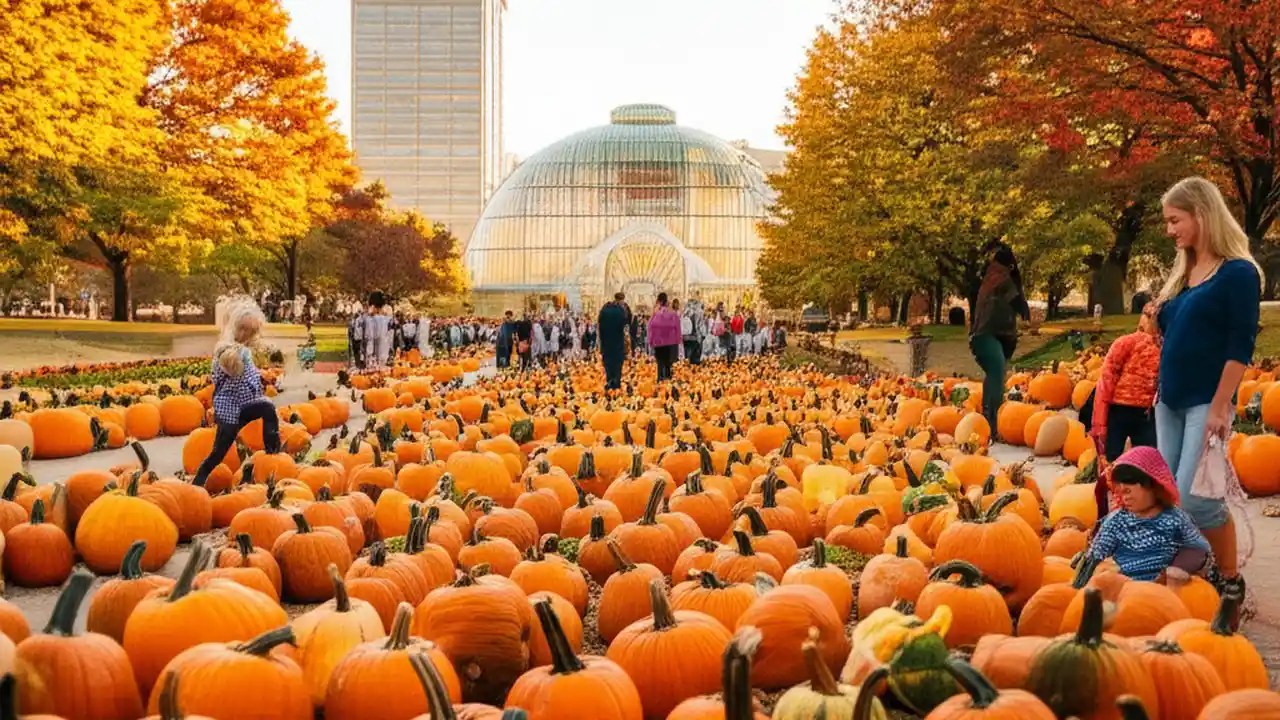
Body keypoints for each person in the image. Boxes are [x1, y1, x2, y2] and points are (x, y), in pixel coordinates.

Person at [1154, 176, 1262, 610]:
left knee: (1196, 498)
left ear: (1201, 214)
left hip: (1206, 401)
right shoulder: (1184, 276)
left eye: (1175, 220)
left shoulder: (1238, 273)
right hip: (1169, 400)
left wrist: (1222, 405)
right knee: (1170, 496)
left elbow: (1240, 344)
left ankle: (1229, 576)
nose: (1169, 230)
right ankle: (1189, 576)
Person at [1084, 447, 1212, 585]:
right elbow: (1095, 556)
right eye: (1120, 493)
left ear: (1152, 486)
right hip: (1126, 588)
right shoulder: (1116, 521)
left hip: (1167, 589)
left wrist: (1175, 570)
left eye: (1128, 491)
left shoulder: (1175, 518)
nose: (1125, 498)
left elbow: (1199, 549)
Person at [192, 301, 280, 487]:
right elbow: (231, 366)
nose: (246, 335)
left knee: (267, 408)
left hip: (245, 404)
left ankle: (273, 452)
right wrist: (235, 358)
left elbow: (249, 372)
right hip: (229, 409)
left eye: (251, 331)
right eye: (243, 330)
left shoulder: (245, 351)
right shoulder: (226, 349)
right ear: (234, 328)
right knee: (219, 451)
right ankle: (198, 481)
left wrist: (261, 376)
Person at [1086, 303, 1160, 465]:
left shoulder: (1163, 347)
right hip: (1121, 409)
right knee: (1119, 459)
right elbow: (1106, 382)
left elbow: (1106, 382)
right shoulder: (1126, 343)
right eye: (1148, 317)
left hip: (1145, 411)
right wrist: (1100, 423)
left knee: (1140, 460)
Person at [969, 243, 1030, 434]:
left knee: (995, 373)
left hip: (990, 335)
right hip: (985, 335)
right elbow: (1016, 300)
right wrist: (1024, 310)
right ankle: (992, 421)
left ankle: (989, 418)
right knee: (997, 370)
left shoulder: (992, 277)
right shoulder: (1000, 278)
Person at [598, 292, 629, 390]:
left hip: (606, 343)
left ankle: (609, 381)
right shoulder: (621, 311)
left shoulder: (604, 309)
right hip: (617, 343)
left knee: (608, 364)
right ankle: (616, 384)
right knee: (617, 365)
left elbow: (600, 327)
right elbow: (625, 325)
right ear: (621, 300)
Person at [648, 293, 682, 381]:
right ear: (667, 302)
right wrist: (678, 340)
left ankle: (660, 378)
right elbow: (677, 327)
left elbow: (650, 327)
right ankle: (668, 378)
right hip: (670, 342)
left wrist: (651, 341)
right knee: (668, 362)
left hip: (658, 342)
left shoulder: (656, 314)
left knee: (660, 361)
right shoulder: (673, 314)